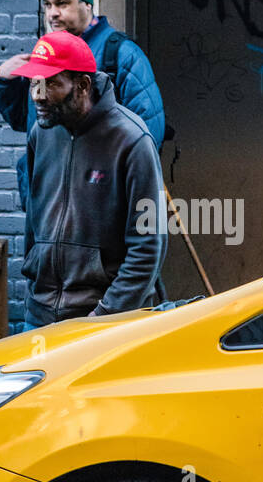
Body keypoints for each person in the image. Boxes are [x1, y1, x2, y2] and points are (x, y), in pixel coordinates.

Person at [15, 30, 167, 328]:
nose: (38, 96)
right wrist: (34, 295)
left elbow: (148, 246)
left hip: (104, 323)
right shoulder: (41, 134)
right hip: (40, 317)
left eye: (52, 84)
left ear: (83, 85)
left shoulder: (132, 141)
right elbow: (33, 224)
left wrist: (104, 316)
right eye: (34, 83)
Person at [0, 0, 165, 207]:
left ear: (87, 4)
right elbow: (28, 120)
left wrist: (107, 184)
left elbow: (148, 134)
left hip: (97, 206)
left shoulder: (122, 54)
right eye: (47, 5)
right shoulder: (45, 55)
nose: (53, 14)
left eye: (62, 3)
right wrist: (2, 82)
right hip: (47, 203)